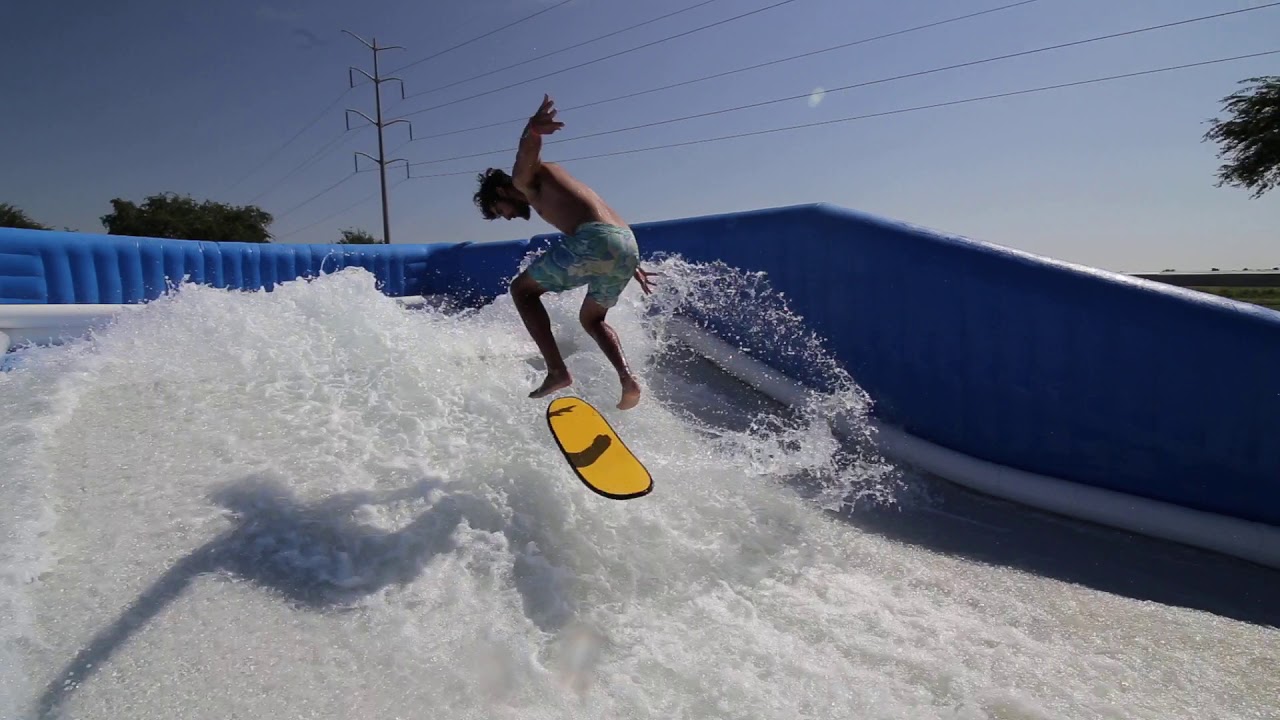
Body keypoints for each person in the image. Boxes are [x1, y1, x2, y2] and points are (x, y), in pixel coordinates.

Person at [473, 94, 657, 411]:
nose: (506, 216)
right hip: (626, 244)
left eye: (498, 209)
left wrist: (531, 131)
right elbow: (606, 221)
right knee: (593, 319)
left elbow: (525, 155)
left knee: (522, 290)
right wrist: (631, 264)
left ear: (501, 191)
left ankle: (557, 371)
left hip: (597, 239)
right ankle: (628, 380)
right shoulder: (558, 178)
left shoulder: (524, 180)